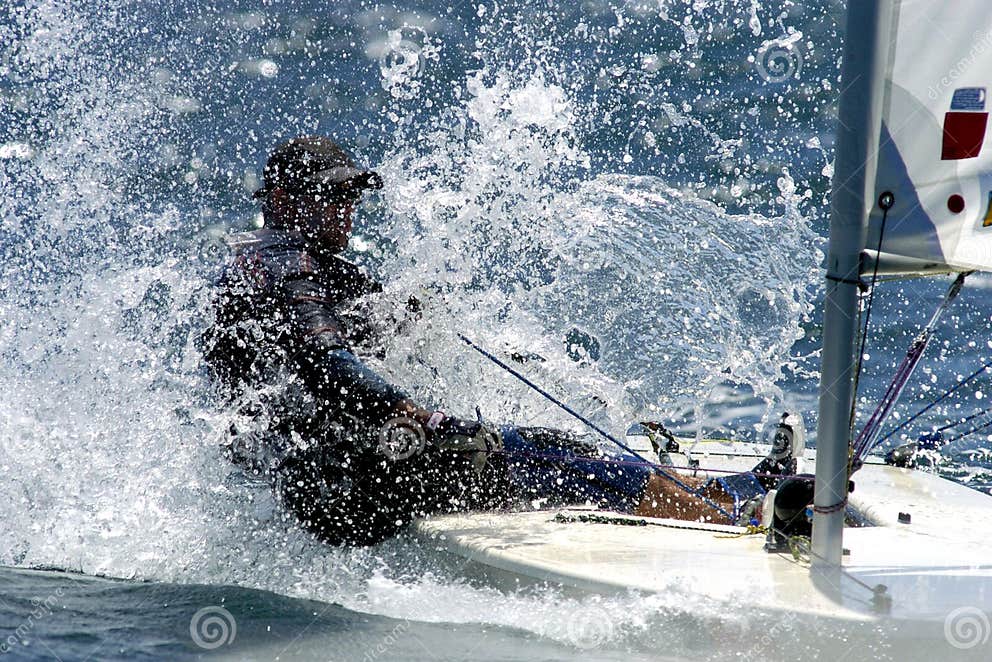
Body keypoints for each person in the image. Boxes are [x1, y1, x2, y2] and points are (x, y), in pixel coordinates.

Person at [203, 135, 792, 546]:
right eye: (331, 195)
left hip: (338, 465)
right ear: (280, 200)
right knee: (534, 462)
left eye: (352, 195)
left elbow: (354, 335)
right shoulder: (282, 264)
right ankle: (735, 509)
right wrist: (419, 415)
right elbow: (326, 360)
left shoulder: (294, 261)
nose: (347, 207)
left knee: (552, 444)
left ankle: (735, 487)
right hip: (335, 486)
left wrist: (406, 315)